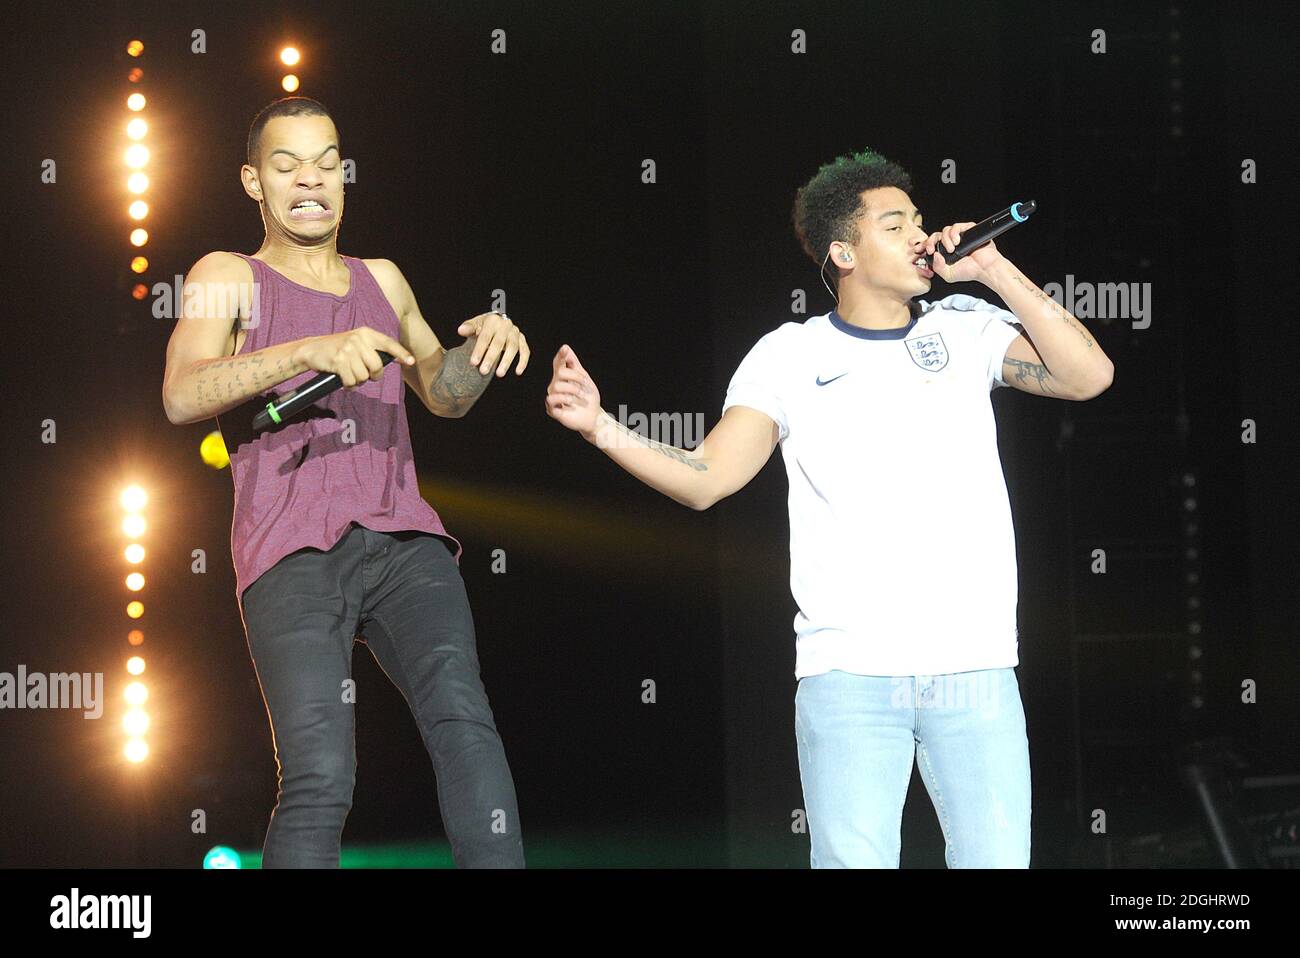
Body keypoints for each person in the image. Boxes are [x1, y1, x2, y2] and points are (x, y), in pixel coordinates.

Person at [544, 148, 1114, 868]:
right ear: (843, 250)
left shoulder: (965, 328)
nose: (920, 236)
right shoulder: (787, 356)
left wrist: (995, 271)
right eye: (894, 223)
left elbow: (1089, 376)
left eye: (919, 221)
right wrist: (601, 426)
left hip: (975, 669)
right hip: (849, 674)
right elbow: (706, 478)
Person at [162, 96, 529, 868]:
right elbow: (181, 393)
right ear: (253, 181)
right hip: (290, 550)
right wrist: (315, 350)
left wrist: (484, 353)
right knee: (321, 774)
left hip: (403, 537)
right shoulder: (227, 275)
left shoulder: (383, 281)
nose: (312, 178)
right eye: (287, 163)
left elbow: (444, 393)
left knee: (464, 721)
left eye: (328, 162)